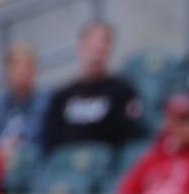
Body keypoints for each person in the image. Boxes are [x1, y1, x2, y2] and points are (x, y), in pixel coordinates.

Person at [39, 21, 146, 154]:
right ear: (80, 47)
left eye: (102, 48)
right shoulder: (62, 95)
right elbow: (50, 139)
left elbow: (128, 134)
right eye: (92, 46)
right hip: (67, 164)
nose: (97, 53)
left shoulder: (123, 91)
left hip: (105, 165)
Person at [0, 43, 45, 153]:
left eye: (27, 67)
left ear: (35, 71)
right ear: (6, 72)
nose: (22, 73)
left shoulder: (47, 105)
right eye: (16, 67)